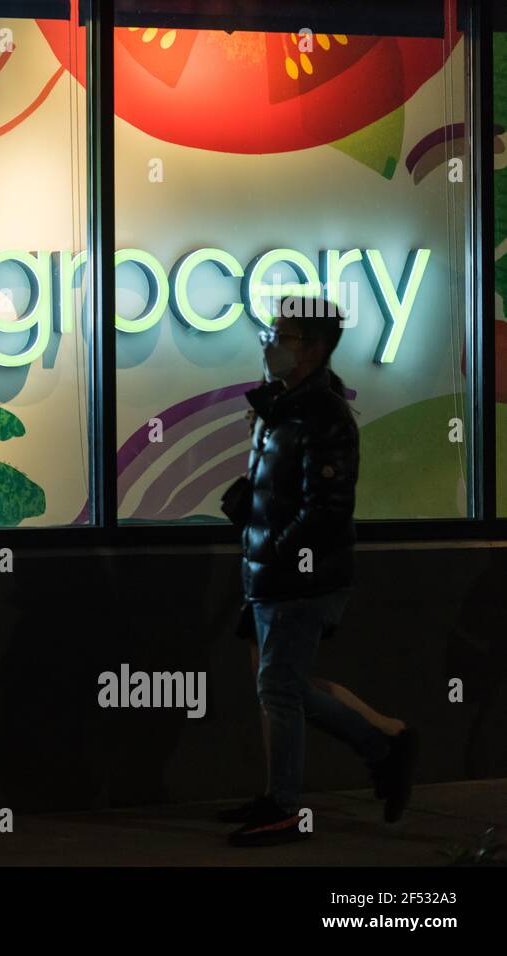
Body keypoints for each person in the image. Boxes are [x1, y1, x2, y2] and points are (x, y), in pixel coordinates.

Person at [218, 296, 419, 847]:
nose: (271, 344)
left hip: (298, 578)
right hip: (268, 571)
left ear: (313, 347)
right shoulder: (283, 405)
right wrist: (250, 506)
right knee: (281, 685)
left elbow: (326, 508)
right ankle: (382, 743)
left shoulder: (322, 413)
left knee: (279, 689)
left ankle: (287, 804)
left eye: (283, 335)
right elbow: (285, 489)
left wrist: (279, 552)